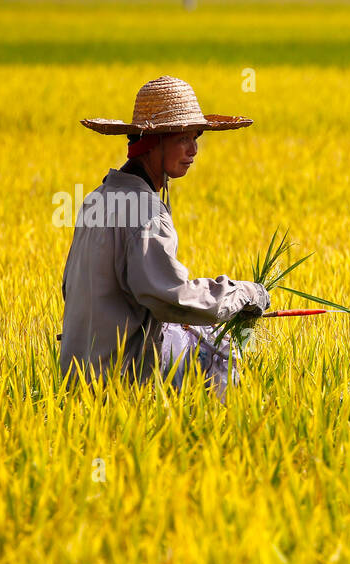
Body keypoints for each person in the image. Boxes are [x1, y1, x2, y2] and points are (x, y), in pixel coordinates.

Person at [58, 75, 269, 400]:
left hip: (75, 377)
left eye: (196, 137)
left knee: (190, 328)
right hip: (122, 383)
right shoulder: (145, 211)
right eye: (183, 138)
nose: (194, 149)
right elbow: (172, 298)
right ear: (153, 142)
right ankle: (216, 434)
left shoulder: (95, 199)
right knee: (219, 346)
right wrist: (242, 294)